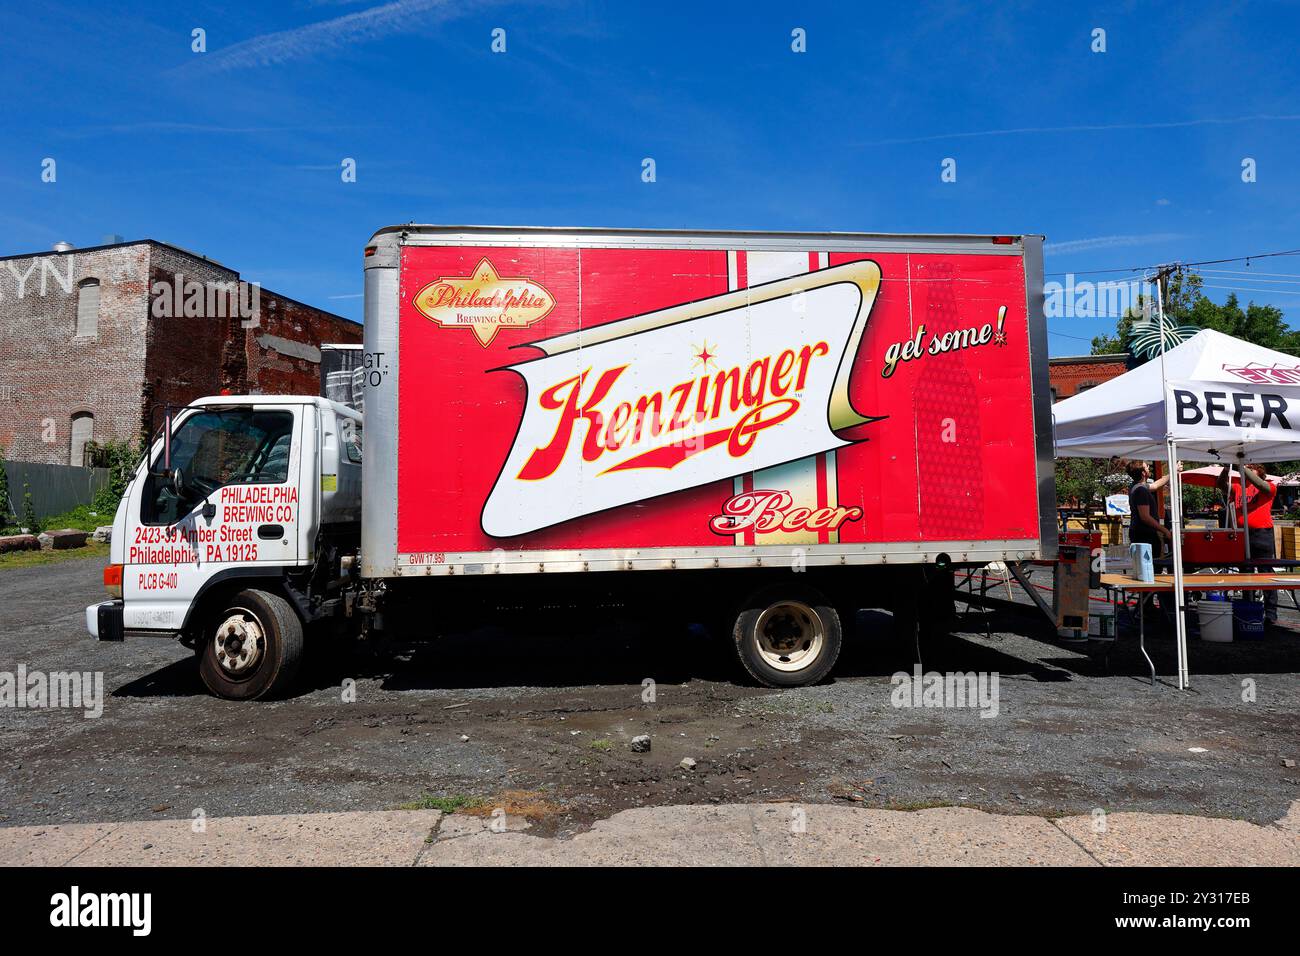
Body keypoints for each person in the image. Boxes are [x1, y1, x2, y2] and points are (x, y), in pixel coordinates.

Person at [1218, 463, 1280, 625]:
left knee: (1265, 573)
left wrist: (1241, 467)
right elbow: (1221, 484)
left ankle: (1271, 612)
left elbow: (1260, 484)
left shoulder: (1269, 486)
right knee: (1246, 572)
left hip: (1262, 534)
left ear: (1259, 472)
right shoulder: (1238, 488)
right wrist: (1226, 469)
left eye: (1251, 468)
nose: (1246, 470)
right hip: (1242, 534)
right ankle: (1249, 607)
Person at [1127, 461, 1177, 558]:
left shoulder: (1136, 486)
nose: (1149, 467)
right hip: (1145, 535)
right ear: (1143, 473)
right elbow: (1145, 517)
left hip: (1140, 533)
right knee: (1150, 564)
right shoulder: (1141, 490)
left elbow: (1155, 485)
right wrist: (1164, 530)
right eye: (1146, 467)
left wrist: (1174, 471)